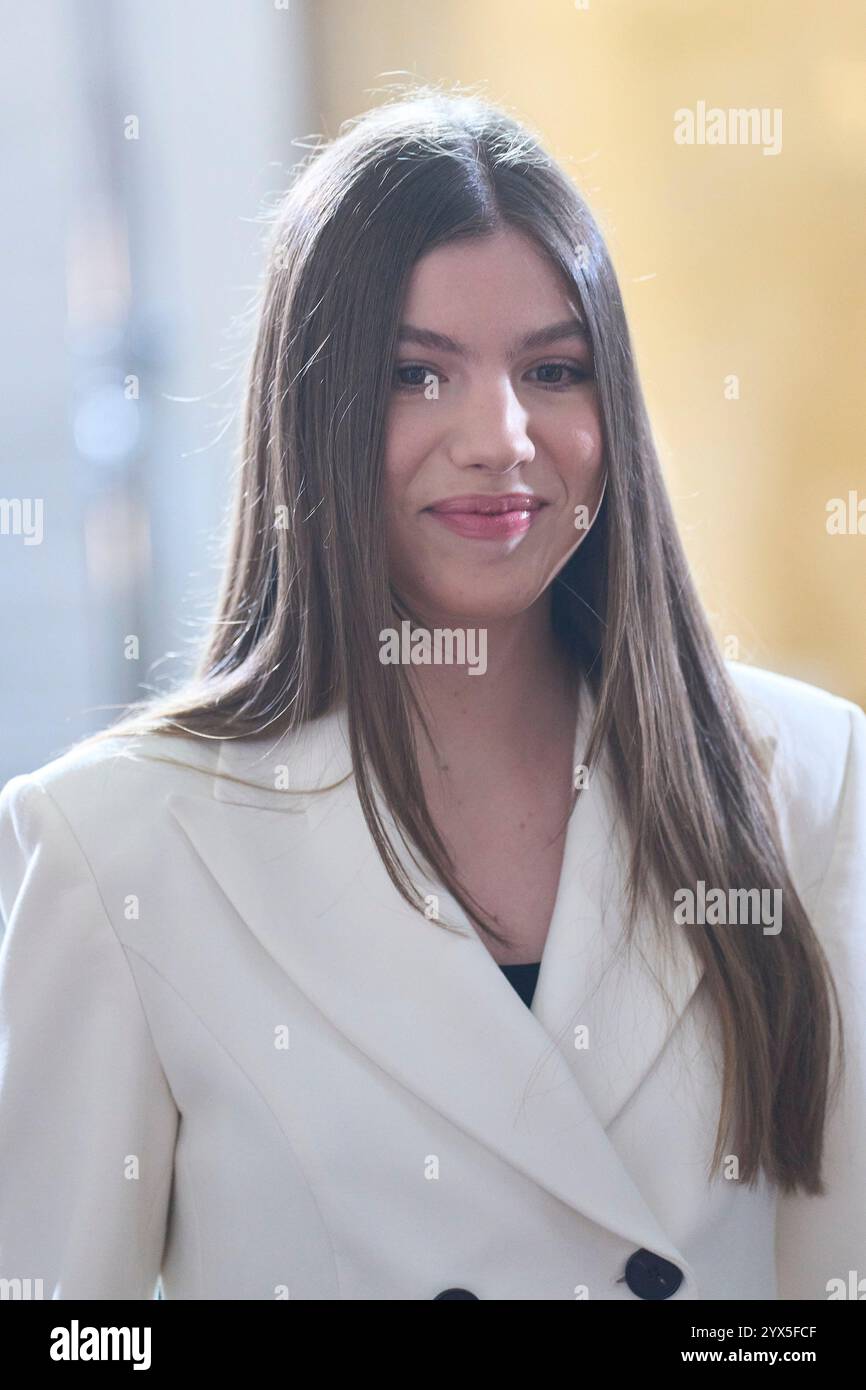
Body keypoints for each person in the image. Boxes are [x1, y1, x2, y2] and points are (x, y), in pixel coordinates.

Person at [0, 87, 863, 1302]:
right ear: (315, 412)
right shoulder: (115, 846)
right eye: (416, 376)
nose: (498, 435)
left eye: (552, 369)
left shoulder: (808, 776)